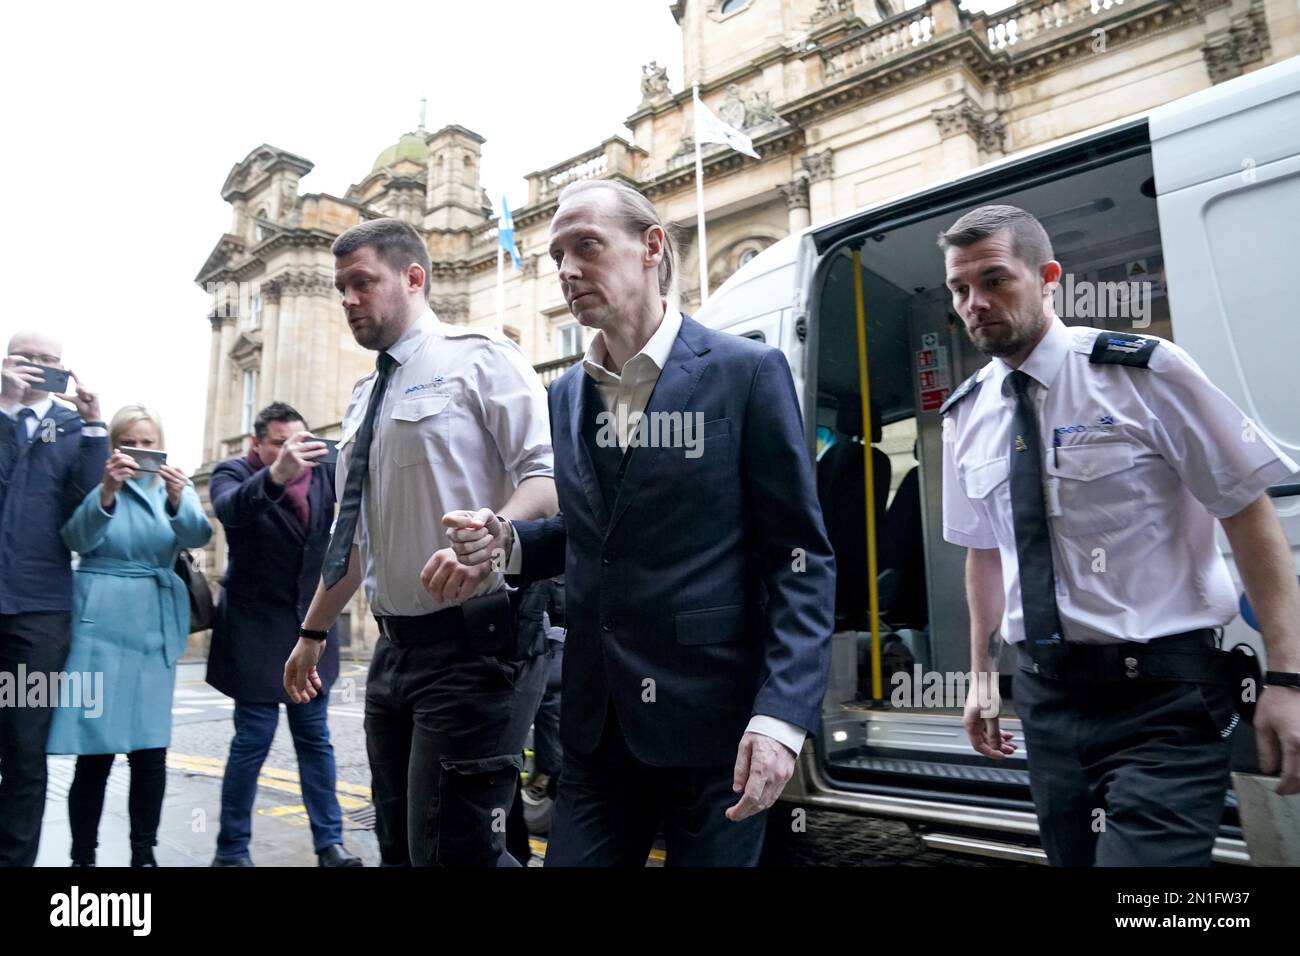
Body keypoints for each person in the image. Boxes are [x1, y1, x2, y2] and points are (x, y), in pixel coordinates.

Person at [442, 180, 835, 866]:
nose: (566, 269)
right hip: (597, 732)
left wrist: (781, 718)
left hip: (718, 730)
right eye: (557, 254)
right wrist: (505, 545)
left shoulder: (746, 373)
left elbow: (799, 558)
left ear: (651, 246)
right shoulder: (564, 395)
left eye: (586, 246)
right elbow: (594, 537)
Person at [938, 204, 1300, 866]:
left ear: (1047, 277)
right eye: (960, 290)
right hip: (1048, 702)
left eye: (994, 280)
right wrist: (982, 674)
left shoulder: (1142, 372)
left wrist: (1288, 677)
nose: (975, 303)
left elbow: (1246, 511)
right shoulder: (966, 413)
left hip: (1163, 698)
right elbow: (984, 552)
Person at [282, 217, 556, 867]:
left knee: (449, 850)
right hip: (394, 654)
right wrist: (312, 634)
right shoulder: (360, 399)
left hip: (477, 645)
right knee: (403, 848)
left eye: (362, 282)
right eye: (340, 287)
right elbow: (350, 540)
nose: (347, 298)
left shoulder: (482, 357)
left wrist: (493, 535)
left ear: (413, 277)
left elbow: (547, 480)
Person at [46, 405, 212, 867]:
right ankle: (83, 856)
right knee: (94, 751)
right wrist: (107, 491)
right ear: (115, 445)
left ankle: (143, 854)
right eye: (130, 442)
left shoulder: (171, 488)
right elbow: (76, 539)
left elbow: (198, 537)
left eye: (148, 441)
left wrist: (181, 499)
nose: (140, 451)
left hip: (153, 626)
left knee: (150, 749)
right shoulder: (98, 482)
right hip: (98, 626)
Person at [206, 401, 361, 867]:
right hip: (253, 629)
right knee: (252, 739)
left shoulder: (323, 474)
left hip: (309, 627)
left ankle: (329, 844)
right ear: (258, 444)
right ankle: (231, 850)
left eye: (298, 439)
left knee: (314, 737)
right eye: (279, 442)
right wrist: (275, 474)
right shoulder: (233, 471)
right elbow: (230, 510)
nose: (292, 449)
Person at [0, 332, 107, 867]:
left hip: (40, 612)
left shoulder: (71, 429)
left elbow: (89, 509)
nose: (38, 368)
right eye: (27, 358)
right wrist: (4, 407)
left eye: (49, 361)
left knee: (24, 750)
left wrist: (93, 426)